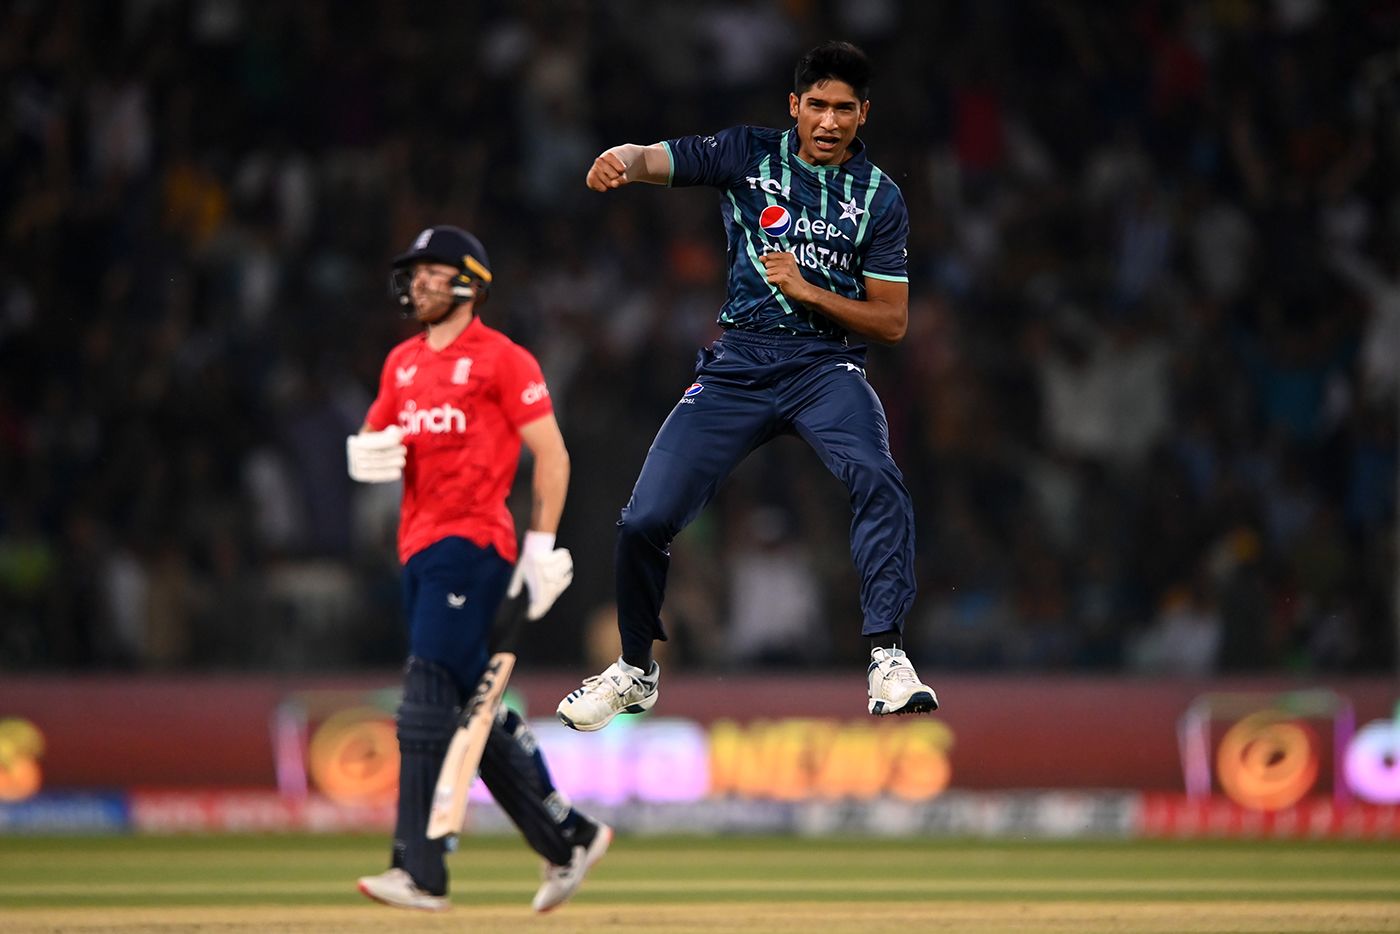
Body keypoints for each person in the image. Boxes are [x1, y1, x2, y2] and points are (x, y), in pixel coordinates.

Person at [556, 41, 938, 731]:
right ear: (794, 106)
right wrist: (626, 158)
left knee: (877, 476)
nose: (827, 121)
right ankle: (635, 670)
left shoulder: (880, 197)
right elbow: (659, 158)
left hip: (826, 367)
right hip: (738, 365)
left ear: (863, 115)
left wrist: (807, 289)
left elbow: (891, 321)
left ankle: (887, 655)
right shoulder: (746, 153)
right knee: (644, 519)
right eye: (816, 105)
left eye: (842, 109)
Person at [350, 225, 610, 913]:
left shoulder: (503, 359)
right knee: (473, 710)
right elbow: (379, 437)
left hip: (474, 544)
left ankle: (420, 869)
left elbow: (551, 455)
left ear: (469, 280)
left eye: (434, 271)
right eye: (415, 273)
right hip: (417, 548)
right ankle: (569, 836)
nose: (420, 283)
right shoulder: (401, 363)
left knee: (425, 696)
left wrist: (541, 543)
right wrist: (366, 453)